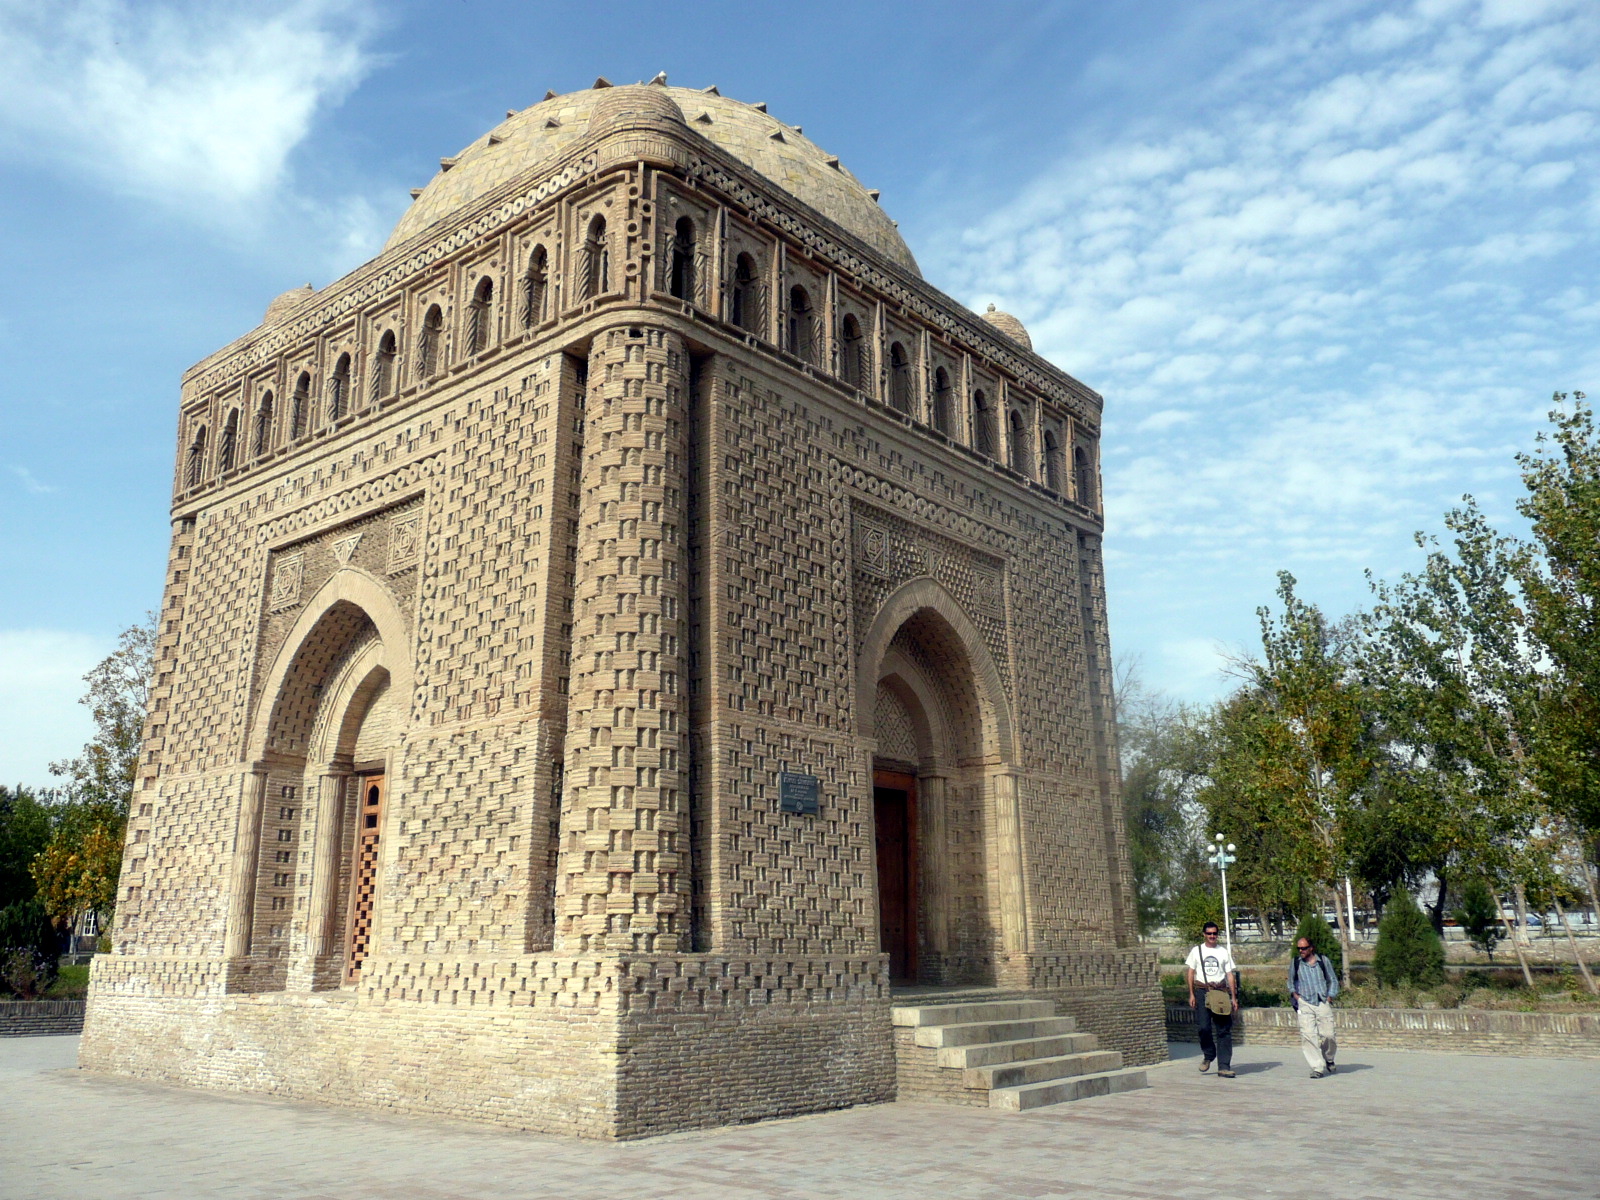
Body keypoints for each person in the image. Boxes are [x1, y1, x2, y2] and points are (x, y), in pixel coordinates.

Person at [1185, 922, 1239, 1078]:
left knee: (1223, 1030)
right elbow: (1190, 973)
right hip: (1203, 991)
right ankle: (1209, 1054)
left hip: (1220, 992)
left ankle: (1224, 1066)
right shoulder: (1197, 951)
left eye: (1215, 933)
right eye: (1209, 933)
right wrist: (1191, 994)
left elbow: (1229, 975)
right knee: (1204, 1028)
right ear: (1204, 934)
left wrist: (1233, 997)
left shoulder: (1223, 952)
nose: (1212, 936)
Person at [1290, 936, 1339, 1078]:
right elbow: (1290, 981)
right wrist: (1296, 996)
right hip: (1305, 1002)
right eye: (1299, 948)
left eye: (1304, 948)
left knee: (1329, 1035)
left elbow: (1333, 979)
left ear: (1311, 948)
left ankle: (1329, 1058)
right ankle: (1317, 1067)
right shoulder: (1296, 963)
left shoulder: (1322, 961)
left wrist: (1330, 995)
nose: (1301, 951)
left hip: (1322, 1001)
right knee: (1308, 1036)